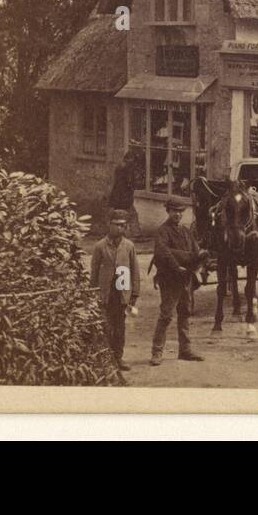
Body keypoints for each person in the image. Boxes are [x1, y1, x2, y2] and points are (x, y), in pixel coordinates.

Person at [150, 197, 205, 366]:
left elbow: (196, 252)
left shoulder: (186, 231)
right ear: (168, 211)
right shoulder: (162, 231)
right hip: (170, 279)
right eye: (175, 211)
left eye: (181, 211)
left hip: (186, 278)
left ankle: (185, 350)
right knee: (166, 315)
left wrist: (198, 263)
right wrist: (178, 265)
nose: (178, 214)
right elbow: (163, 253)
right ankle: (157, 351)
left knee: (185, 313)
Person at [90, 212, 140, 371]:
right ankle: (107, 358)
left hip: (122, 293)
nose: (120, 228)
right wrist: (93, 293)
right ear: (109, 225)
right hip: (106, 293)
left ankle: (118, 357)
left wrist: (134, 294)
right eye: (117, 224)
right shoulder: (100, 246)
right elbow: (94, 271)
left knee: (120, 327)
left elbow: (135, 271)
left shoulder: (129, 246)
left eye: (123, 225)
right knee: (106, 326)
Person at [108, 151, 140, 237]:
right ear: (130, 159)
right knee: (130, 214)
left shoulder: (120, 167)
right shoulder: (128, 168)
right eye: (132, 160)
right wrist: (131, 186)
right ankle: (135, 233)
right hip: (123, 196)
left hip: (118, 196)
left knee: (118, 214)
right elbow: (129, 182)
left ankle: (116, 232)